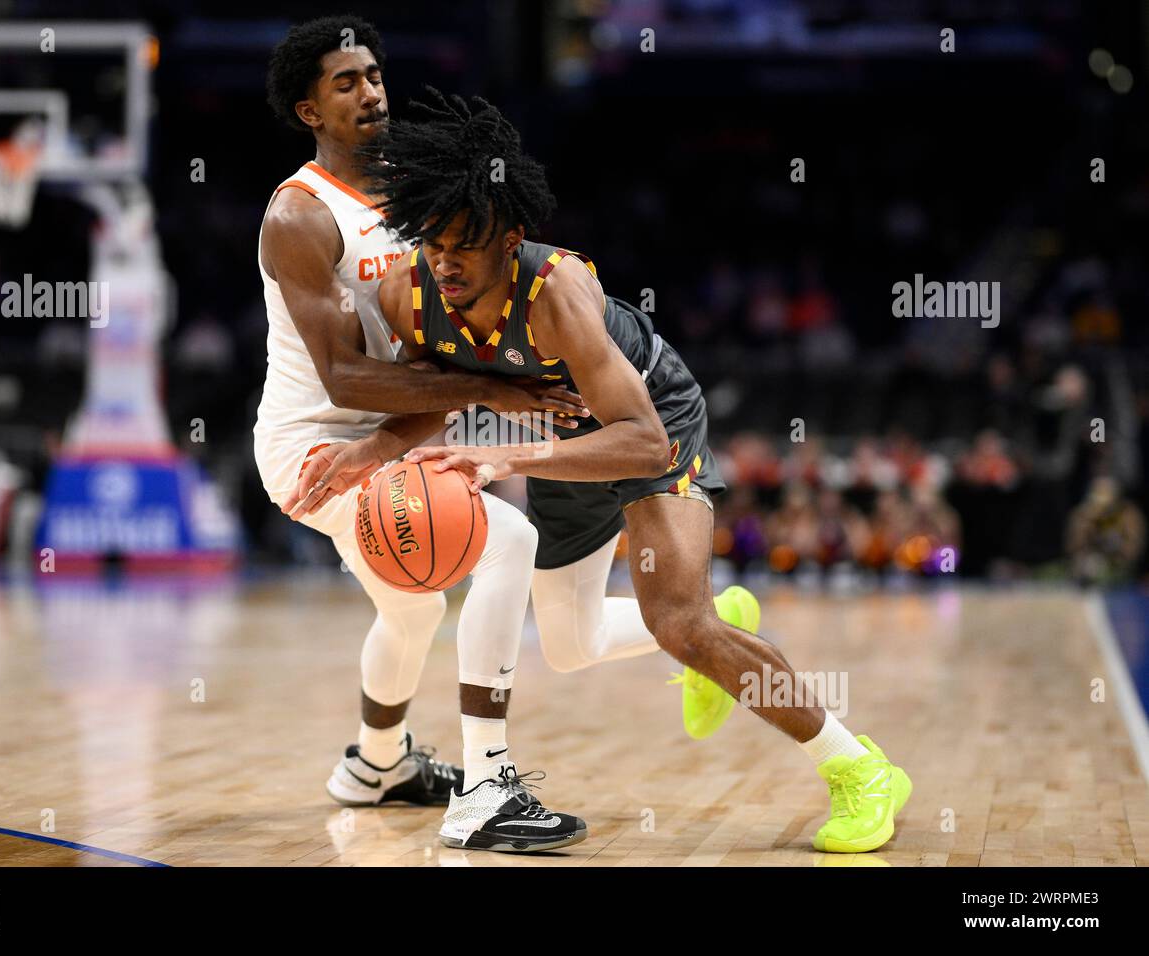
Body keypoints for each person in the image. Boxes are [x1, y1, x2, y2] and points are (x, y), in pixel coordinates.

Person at [293, 88, 912, 852]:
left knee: (681, 622)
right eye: (434, 241)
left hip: (653, 422)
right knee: (570, 644)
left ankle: (858, 767)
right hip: (560, 441)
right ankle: (720, 622)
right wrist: (370, 451)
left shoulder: (554, 293)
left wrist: (503, 454)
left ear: (510, 235)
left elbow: (642, 441)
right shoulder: (410, 293)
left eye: (466, 241)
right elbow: (436, 396)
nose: (446, 259)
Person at [256, 17, 593, 849]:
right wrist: (497, 388)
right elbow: (345, 375)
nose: (369, 91)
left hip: (403, 425)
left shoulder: (414, 187)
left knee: (410, 613)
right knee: (505, 538)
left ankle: (375, 767)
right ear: (309, 111)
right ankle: (485, 787)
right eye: (345, 82)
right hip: (320, 446)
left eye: (373, 74)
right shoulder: (299, 217)